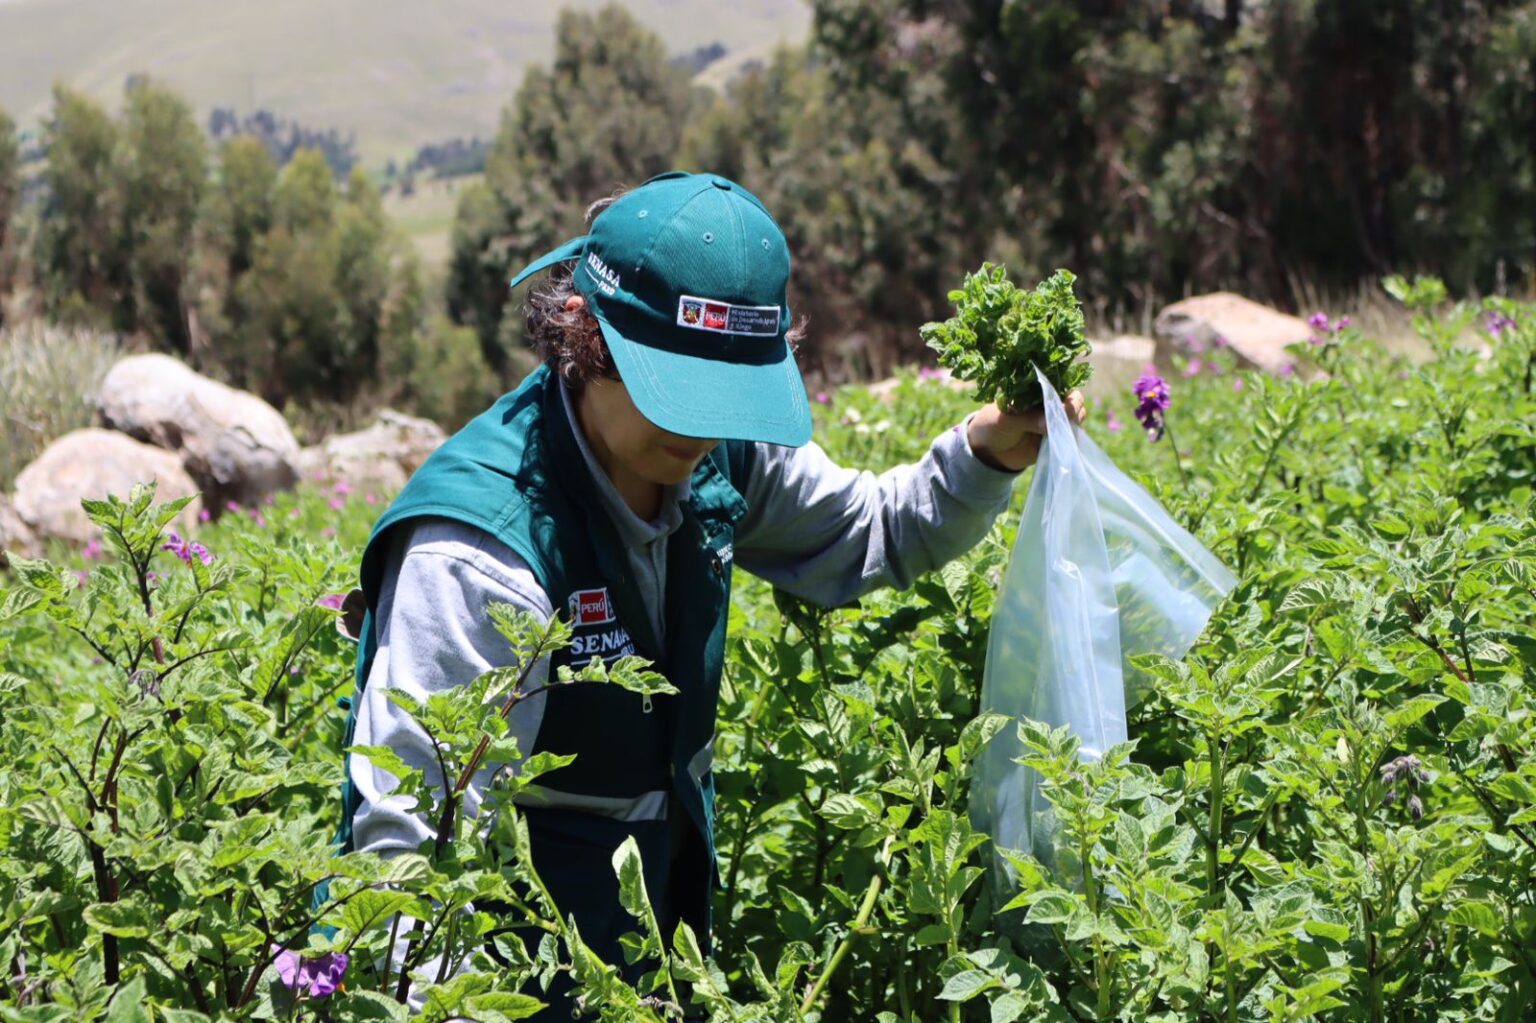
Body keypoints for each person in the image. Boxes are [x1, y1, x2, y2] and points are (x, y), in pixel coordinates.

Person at [336, 171, 1085, 1016]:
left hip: (658, 935)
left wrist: (986, 452)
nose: (698, 430)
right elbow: (413, 846)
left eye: (724, 400)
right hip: (505, 966)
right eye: (676, 395)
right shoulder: (481, 555)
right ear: (587, 339)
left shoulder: (717, 454)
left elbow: (865, 534)